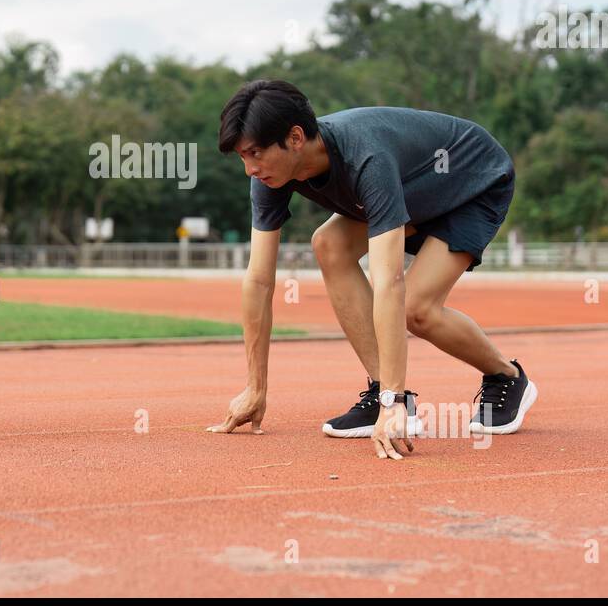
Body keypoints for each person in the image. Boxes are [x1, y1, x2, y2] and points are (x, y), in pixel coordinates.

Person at [205, 79, 538, 460]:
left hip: (473, 182)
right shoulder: (269, 175)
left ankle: (506, 377)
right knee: (328, 243)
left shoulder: (365, 157)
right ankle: (385, 391)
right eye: (242, 158)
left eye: (255, 153)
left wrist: (393, 403)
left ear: (295, 138)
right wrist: (256, 388)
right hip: (414, 189)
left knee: (416, 308)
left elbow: (389, 280)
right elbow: (259, 280)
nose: (249, 169)